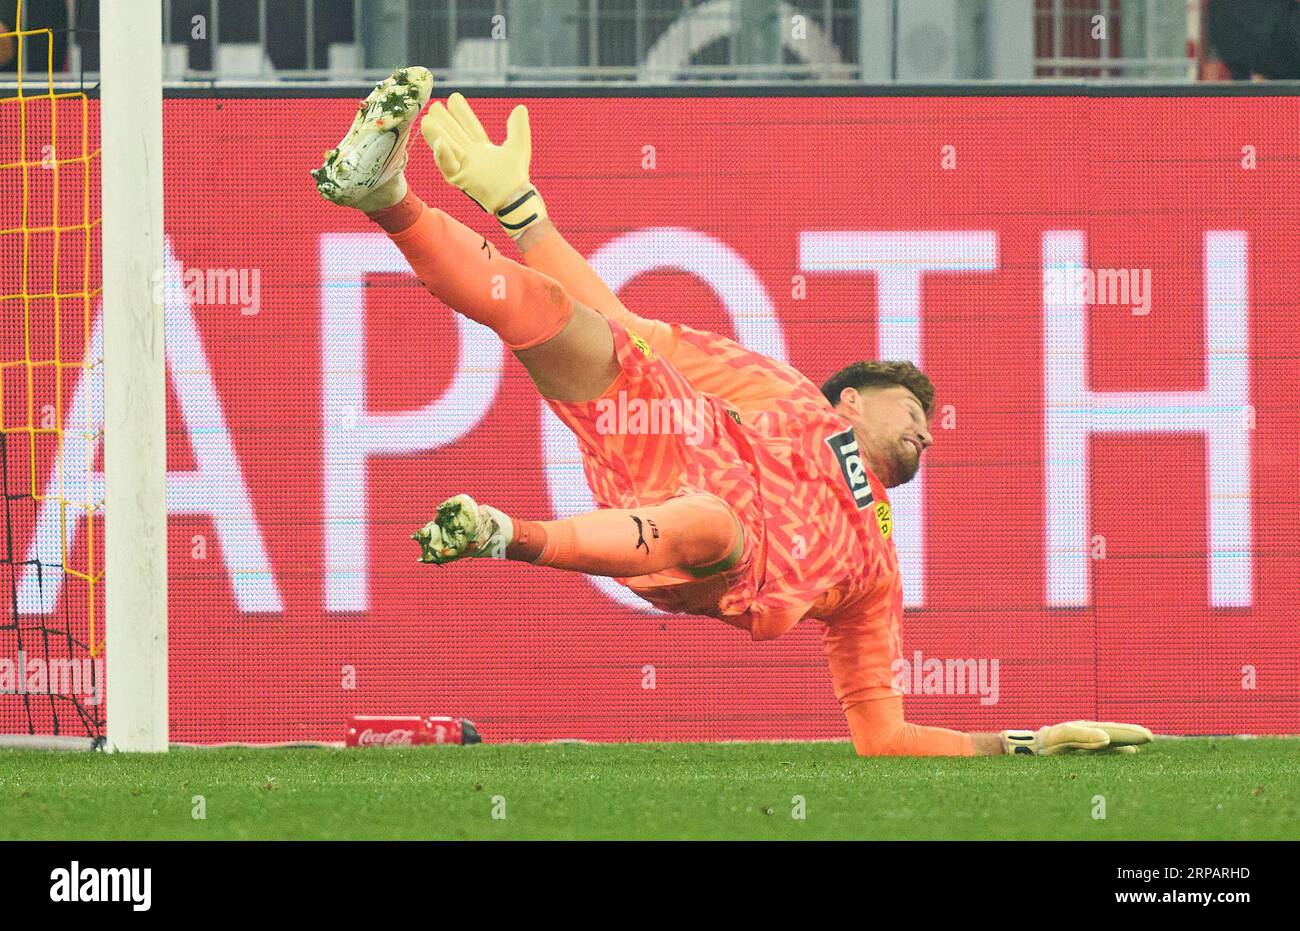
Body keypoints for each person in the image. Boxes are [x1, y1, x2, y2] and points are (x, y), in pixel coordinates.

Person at [312, 67, 1154, 757]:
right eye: (914, 405)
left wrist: (1020, 744)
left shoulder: (874, 567)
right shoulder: (783, 392)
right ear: (850, 398)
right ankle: (381, 192)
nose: (928, 426)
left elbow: (882, 733)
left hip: (711, 552)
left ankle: (506, 534)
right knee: (543, 313)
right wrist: (523, 214)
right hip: (665, 438)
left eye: (932, 422)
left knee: (715, 523)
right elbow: (625, 323)